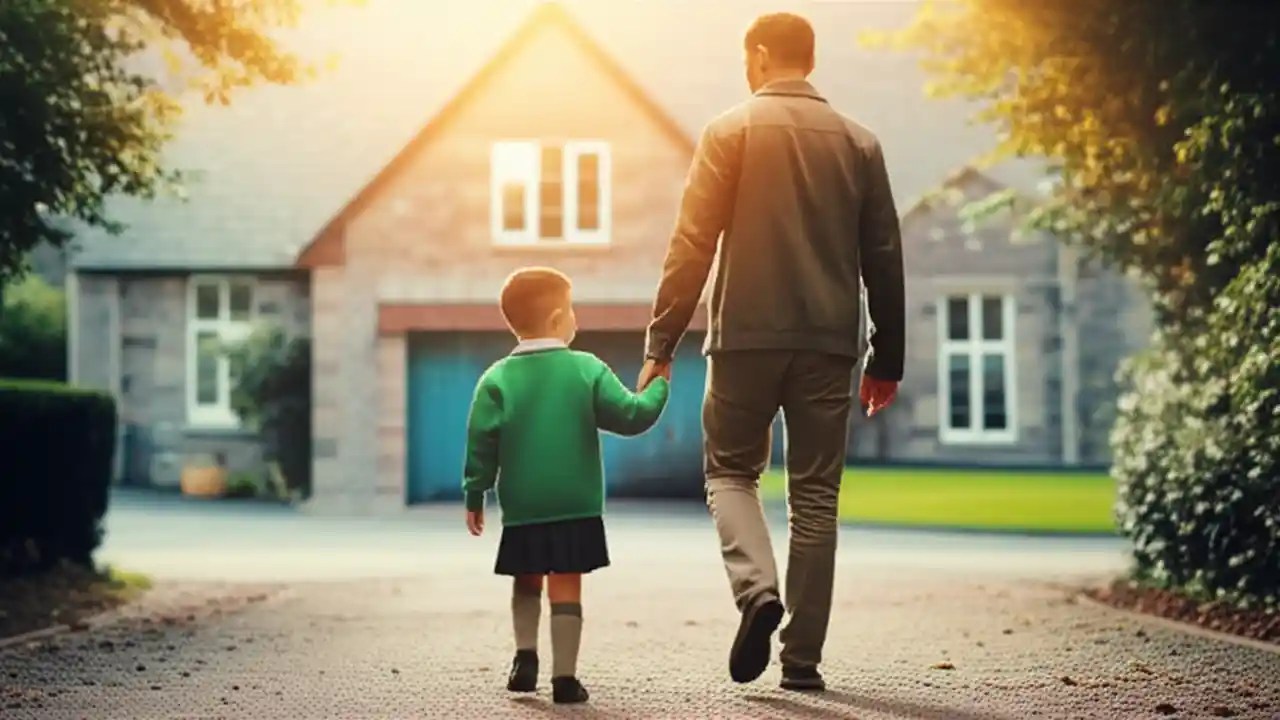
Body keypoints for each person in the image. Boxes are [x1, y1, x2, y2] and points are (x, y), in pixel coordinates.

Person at [638, 12, 905, 692]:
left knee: (730, 472)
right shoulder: (860, 142)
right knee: (816, 497)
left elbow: (692, 241)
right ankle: (802, 662)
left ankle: (757, 590)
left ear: (759, 56)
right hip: (828, 343)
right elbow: (883, 254)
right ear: (809, 60)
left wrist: (662, 342)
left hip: (744, 338)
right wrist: (887, 358)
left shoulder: (729, 131)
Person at [463, 266, 670, 704]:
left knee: (526, 578)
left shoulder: (496, 379)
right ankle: (564, 678)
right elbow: (631, 416)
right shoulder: (586, 369)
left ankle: (524, 658)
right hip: (576, 504)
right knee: (566, 585)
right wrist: (659, 387)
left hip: (524, 506)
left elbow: (481, 441)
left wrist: (474, 492)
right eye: (572, 309)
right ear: (558, 319)